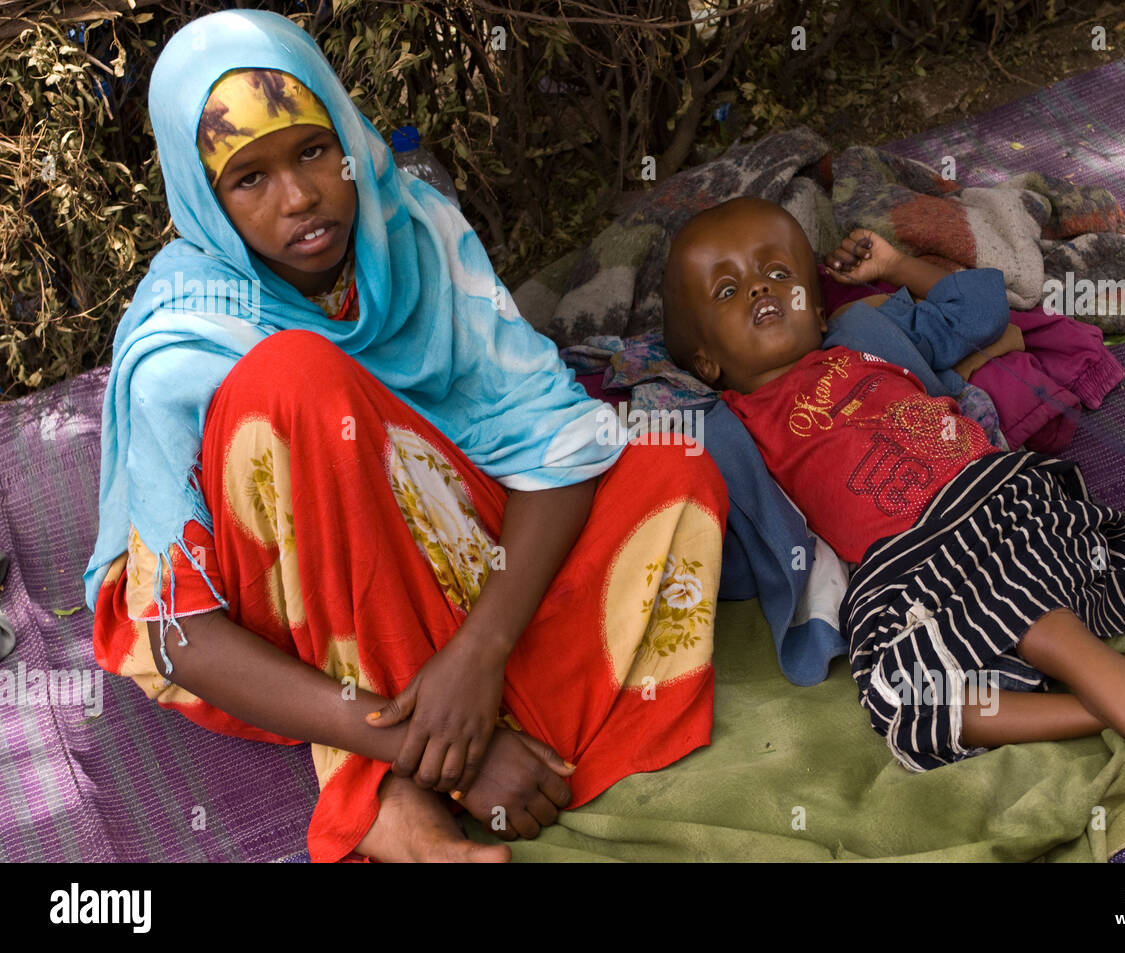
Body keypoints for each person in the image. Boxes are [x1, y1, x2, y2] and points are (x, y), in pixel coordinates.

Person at [83, 9, 727, 863]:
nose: (299, 197)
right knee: (296, 377)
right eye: (249, 178)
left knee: (672, 468)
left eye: (315, 150)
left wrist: (480, 654)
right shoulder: (182, 344)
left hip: (438, 539)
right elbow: (181, 635)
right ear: (204, 197)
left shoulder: (416, 233)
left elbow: (555, 444)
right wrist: (427, 742)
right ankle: (408, 774)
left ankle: (440, 744)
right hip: (273, 609)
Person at [661, 196, 1125, 862]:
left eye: (779, 274)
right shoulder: (728, 429)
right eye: (728, 289)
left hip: (987, 502)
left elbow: (979, 308)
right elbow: (710, 541)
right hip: (903, 569)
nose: (759, 289)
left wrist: (896, 265)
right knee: (900, 701)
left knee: (1021, 611)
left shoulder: (864, 332)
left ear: (821, 309)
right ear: (705, 362)